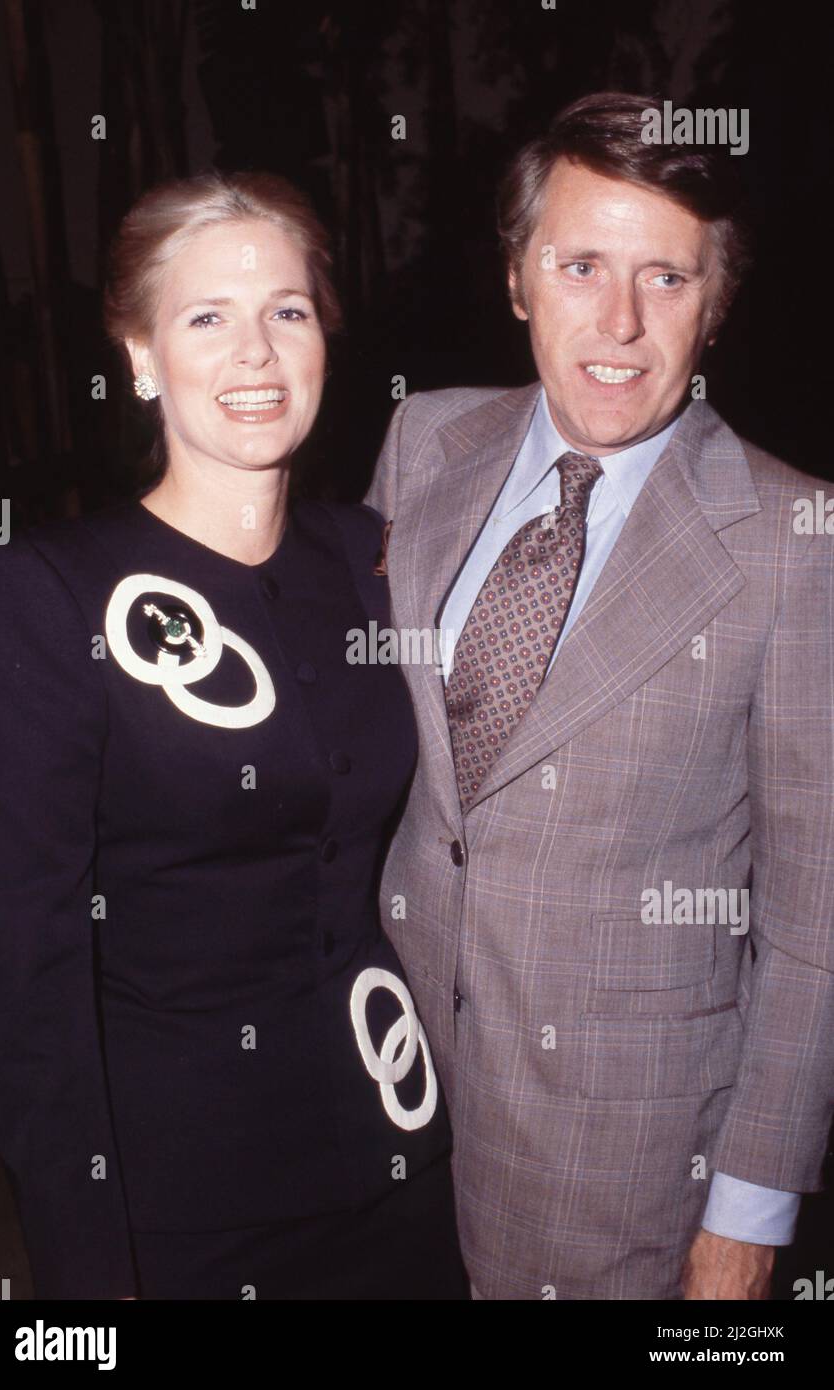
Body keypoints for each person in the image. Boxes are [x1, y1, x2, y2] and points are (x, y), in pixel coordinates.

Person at [0, 170, 469, 1300]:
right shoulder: (38, 595)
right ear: (139, 355)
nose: (255, 353)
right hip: (183, 1207)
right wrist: (87, 1272)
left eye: (286, 311)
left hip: (406, 1160)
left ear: (324, 342)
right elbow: (23, 978)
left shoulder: (377, 559)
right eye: (207, 317)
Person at [365, 91, 834, 1300]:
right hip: (384, 1093)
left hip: (623, 1161)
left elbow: (813, 915)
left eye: (666, 279)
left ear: (713, 303)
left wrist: (745, 1214)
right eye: (578, 265)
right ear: (518, 277)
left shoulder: (793, 538)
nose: (618, 322)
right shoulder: (425, 443)